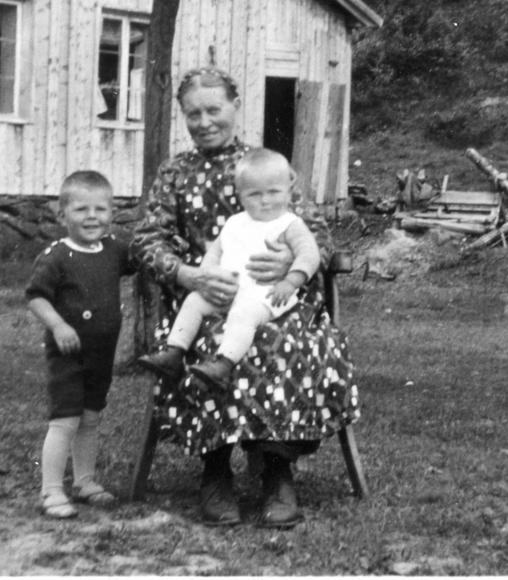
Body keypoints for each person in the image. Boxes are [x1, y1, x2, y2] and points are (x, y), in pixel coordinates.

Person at [131, 67, 359, 529]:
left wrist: (289, 264)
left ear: (236, 106)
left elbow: (318, 235)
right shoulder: (176, 172)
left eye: (214, 109)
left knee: (281, 341)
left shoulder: (265, 164)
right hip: (207, 296)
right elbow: (146, 240)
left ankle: (277, 472)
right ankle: (215, 472)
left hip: (274, 298)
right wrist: (188, 274)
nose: (204, 121)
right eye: (193, 113)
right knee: (205, 341)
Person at [137, 148, 321, 391]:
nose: (265, 200)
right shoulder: (235, 222)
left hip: (267, 295)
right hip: (230, 289)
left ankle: (223, 364)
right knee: (193, 301)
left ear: (289, 192)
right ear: (241, 197)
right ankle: (174, 352)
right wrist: (207, 274)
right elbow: (215, 252)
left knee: (242, 314)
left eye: (274, 192)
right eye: (254, 194)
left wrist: (290, 281)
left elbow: (310, 253)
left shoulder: (289, 224)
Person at [26, 170, 137, 519]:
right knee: (66, 420)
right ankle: (51, 490)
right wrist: (58, 325)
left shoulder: (115, 250)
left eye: (101, 210)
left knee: (90, 418)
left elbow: (143, 261)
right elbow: (36, 297)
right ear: (62, 216)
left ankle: (85, 481)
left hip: (101, 354)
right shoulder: (56, 256)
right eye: (81, 210)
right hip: (68, 355)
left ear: (112, 213)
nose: (92, 217)